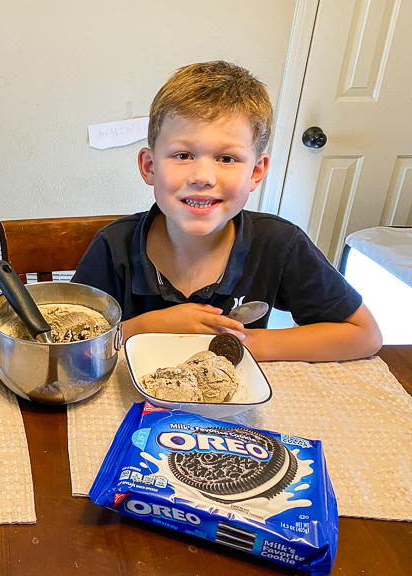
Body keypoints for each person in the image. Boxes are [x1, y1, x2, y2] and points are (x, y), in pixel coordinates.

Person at [73, 61, 382, 362]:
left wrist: (243, 342)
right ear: (149, 166)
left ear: (257, 172)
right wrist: (146, 328)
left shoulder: (278, 244)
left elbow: (364, 334)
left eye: (227, 158)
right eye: (183, 155)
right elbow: (67, 348)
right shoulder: (114, 247)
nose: (203, 176)